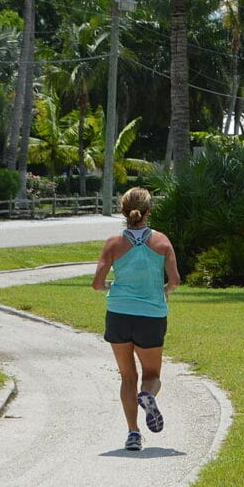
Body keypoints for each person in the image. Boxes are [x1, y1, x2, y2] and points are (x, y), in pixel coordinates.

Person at [92, 187, 180, 451]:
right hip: (151, 316)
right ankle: (148, 395)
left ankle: (133, 433)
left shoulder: (113, 243)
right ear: (148, 212)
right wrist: (164, 291)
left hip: (119, 315)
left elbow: (97, 284)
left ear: (123, 211)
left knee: (127, 377)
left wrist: (112, 286)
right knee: (152, 374)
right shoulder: (162, 241)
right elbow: (175, 280)